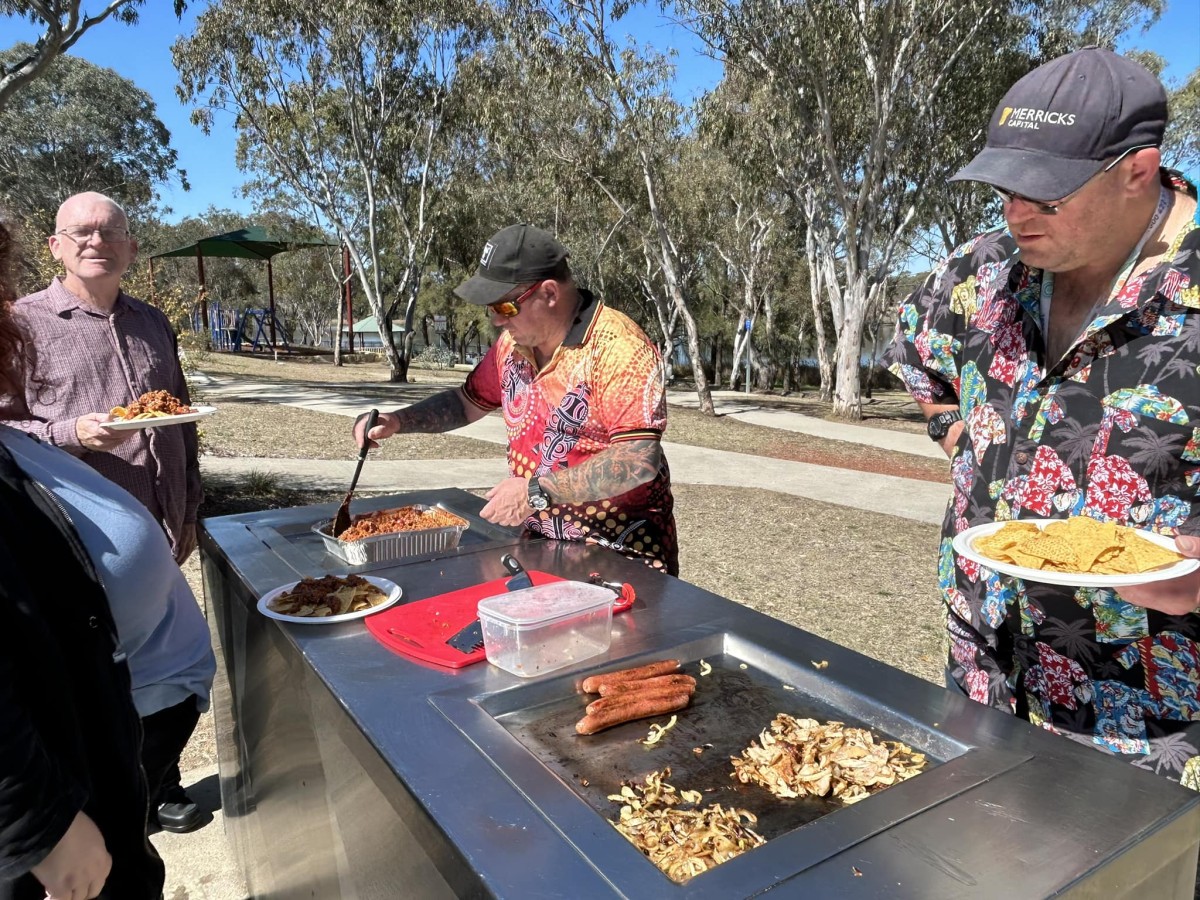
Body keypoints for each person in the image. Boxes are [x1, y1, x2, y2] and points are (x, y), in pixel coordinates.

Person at [886, 46, 1200, 786]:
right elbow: (916, 359)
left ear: (1138, 170)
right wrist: (957, 436)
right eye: (1006, 188)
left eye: (1046, 196)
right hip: (981, 664)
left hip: (1136, 702)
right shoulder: (980, 272)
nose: (1015, 213)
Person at [0, 210, 213, 897]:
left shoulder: (152, 321)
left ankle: (157, 786)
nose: (98, 241)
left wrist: (188, 507)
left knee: (143, 682)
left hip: (155, 526)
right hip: (62, 555)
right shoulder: (27, 321)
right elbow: (11, 425)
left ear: (132, 246)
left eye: (111, 231)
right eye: (81, 232)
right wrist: (71, 432)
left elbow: (176, 418)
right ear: (55, 247)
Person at [356, 223, 679, 575]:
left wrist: (535, 493)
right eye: (489, 308)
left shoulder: (619, 348)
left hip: (623, 558)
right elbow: (467, 402)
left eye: (505, 306)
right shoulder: (512, 345)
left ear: (549, 293)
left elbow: (638, 459)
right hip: (539, 548)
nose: (495, 320)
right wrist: (398, 421)